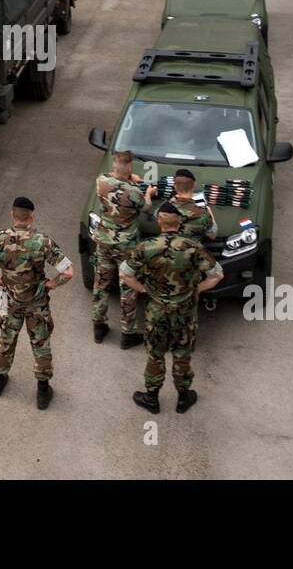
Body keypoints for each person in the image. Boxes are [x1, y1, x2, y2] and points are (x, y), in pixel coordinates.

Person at [0, 196, 74, 410]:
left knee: (6, 338)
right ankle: (43, 392)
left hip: (9, 300)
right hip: (37, 302)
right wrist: (53, 283)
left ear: (12, 214)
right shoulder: (43, 241)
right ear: (31, 216)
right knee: (41, 344)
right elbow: (69, 272)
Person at [120, 202, 223, 414]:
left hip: (156, 312)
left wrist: (142, 289)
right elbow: (217, 275)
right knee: (182, 353)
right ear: (179, 222)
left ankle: (151, 398)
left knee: (155, 355)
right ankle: (184, 397)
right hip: (185, 312)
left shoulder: (145, 247)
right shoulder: (193, 248)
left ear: (160, 222)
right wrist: (196, 290)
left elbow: (124, 274)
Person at [91, 150, 147, 348]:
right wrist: (145, 190)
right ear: (130, 167)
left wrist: (128, 178)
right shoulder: (134, 192)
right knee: (128, 287)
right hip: (126, 245)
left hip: (104, 241)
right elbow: (146, 208)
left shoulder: (101, 182)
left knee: (101, 283)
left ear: (114, 165)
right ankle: (128, 333)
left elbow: (113, 179)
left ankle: (99, 326)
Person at [145, 169, 219, 242]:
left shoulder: (164, 208)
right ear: (194, 185)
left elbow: (156, 216)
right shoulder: (204, 213)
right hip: (192, 250)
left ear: (175, 186)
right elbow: (212, 235)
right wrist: (210, 212)